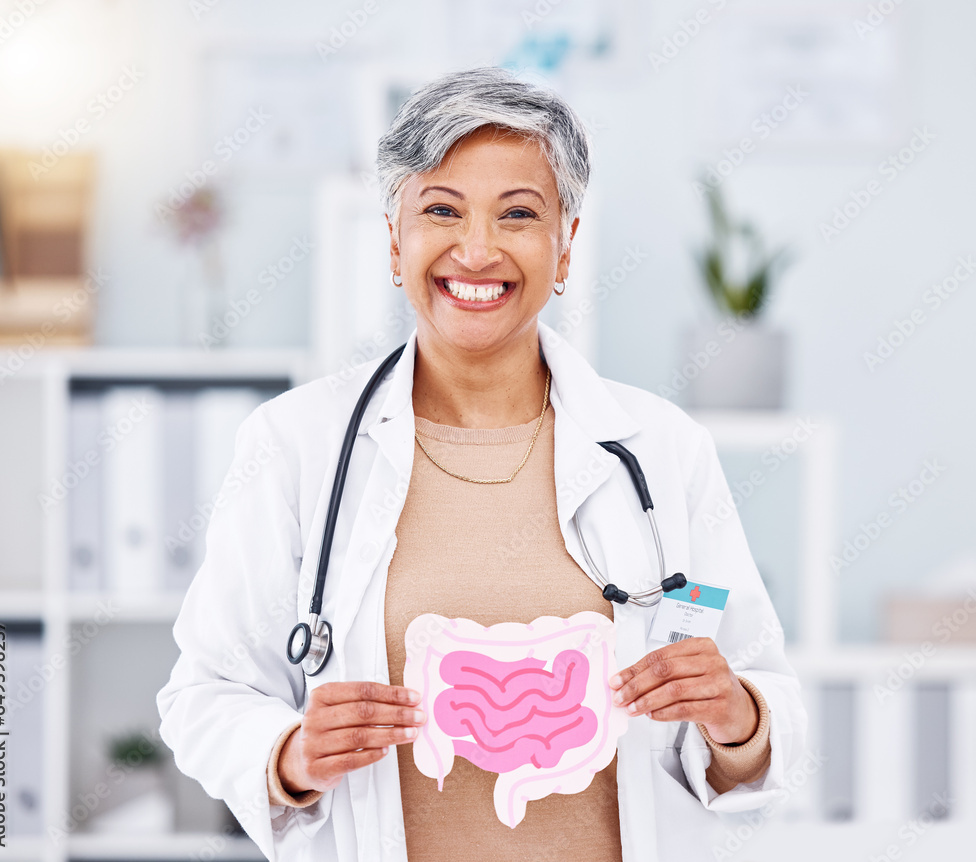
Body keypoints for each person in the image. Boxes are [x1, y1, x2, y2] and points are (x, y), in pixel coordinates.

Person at [156, 66, 806, 862]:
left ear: (565, 246)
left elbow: (763, 708)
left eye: (518, 214)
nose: (476, 249)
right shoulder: (295, 445)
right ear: (394, 241)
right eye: (441, 210)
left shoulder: (662, 449)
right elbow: (205, 693)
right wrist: (289, 755)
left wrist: (738, 715)